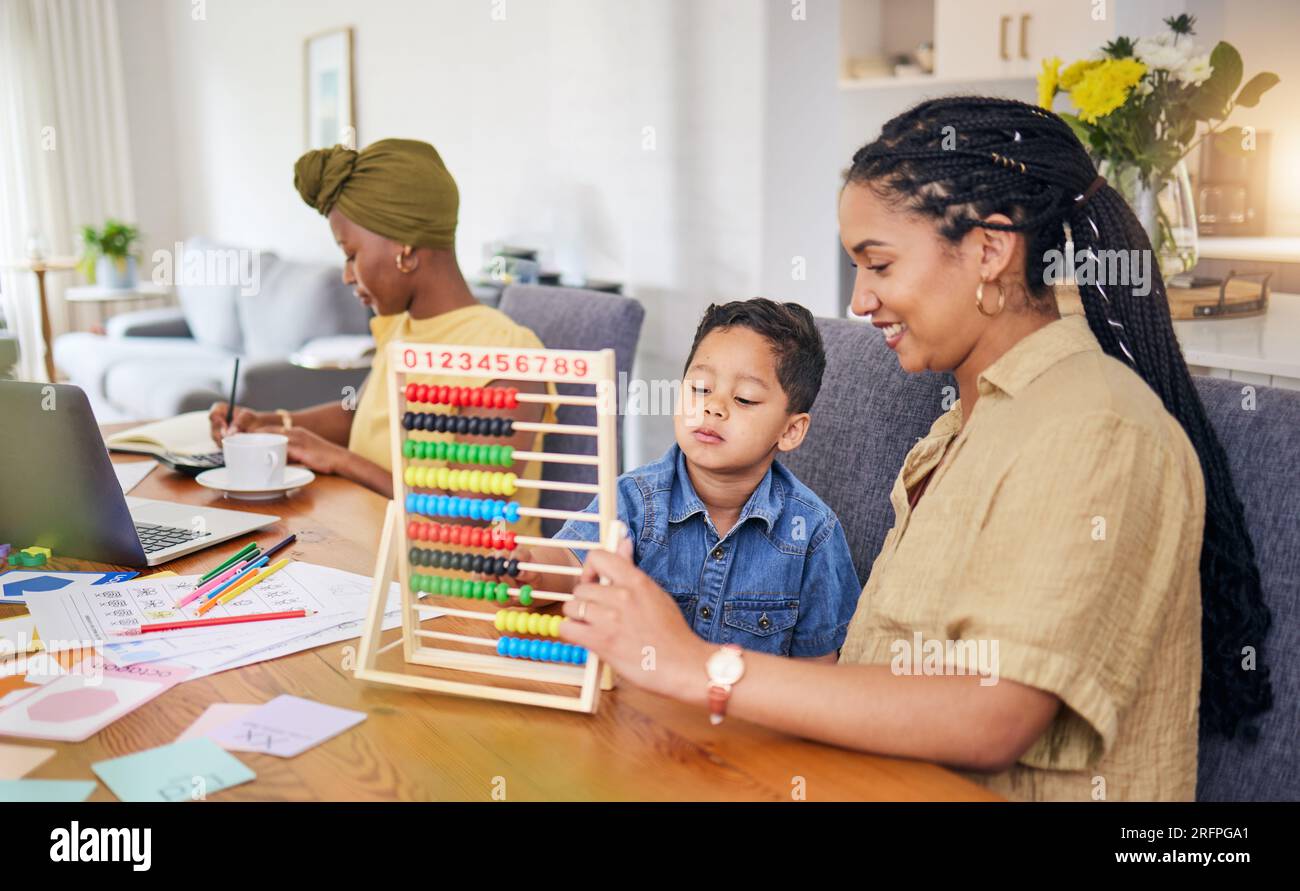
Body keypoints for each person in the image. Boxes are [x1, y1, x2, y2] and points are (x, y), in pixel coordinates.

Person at [553, 97, 1273, 801]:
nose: (861, 301)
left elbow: (994, 714)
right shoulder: (960, 430)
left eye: (880, 264)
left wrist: (701, 663)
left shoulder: (1098, 430)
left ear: (989, 250)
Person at [208, 138, 554, 537]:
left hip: (457, 582)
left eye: (351, 253)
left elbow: (469, 513)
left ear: (404, 249)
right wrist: (273, 424)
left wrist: (339, 460)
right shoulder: (400, 327)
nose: (347, 275)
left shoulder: (505, 352)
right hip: (367, 543)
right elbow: (367, 415)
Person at [512, 299, 861, 659]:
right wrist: (530, 571)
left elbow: (819, 668)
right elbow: (571, 562)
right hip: (638, 707)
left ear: (790, 430)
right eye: (700, 388)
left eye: (744, 398)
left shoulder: (814, 534)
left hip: (748, 713)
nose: (712, 407)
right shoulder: (635, 501)